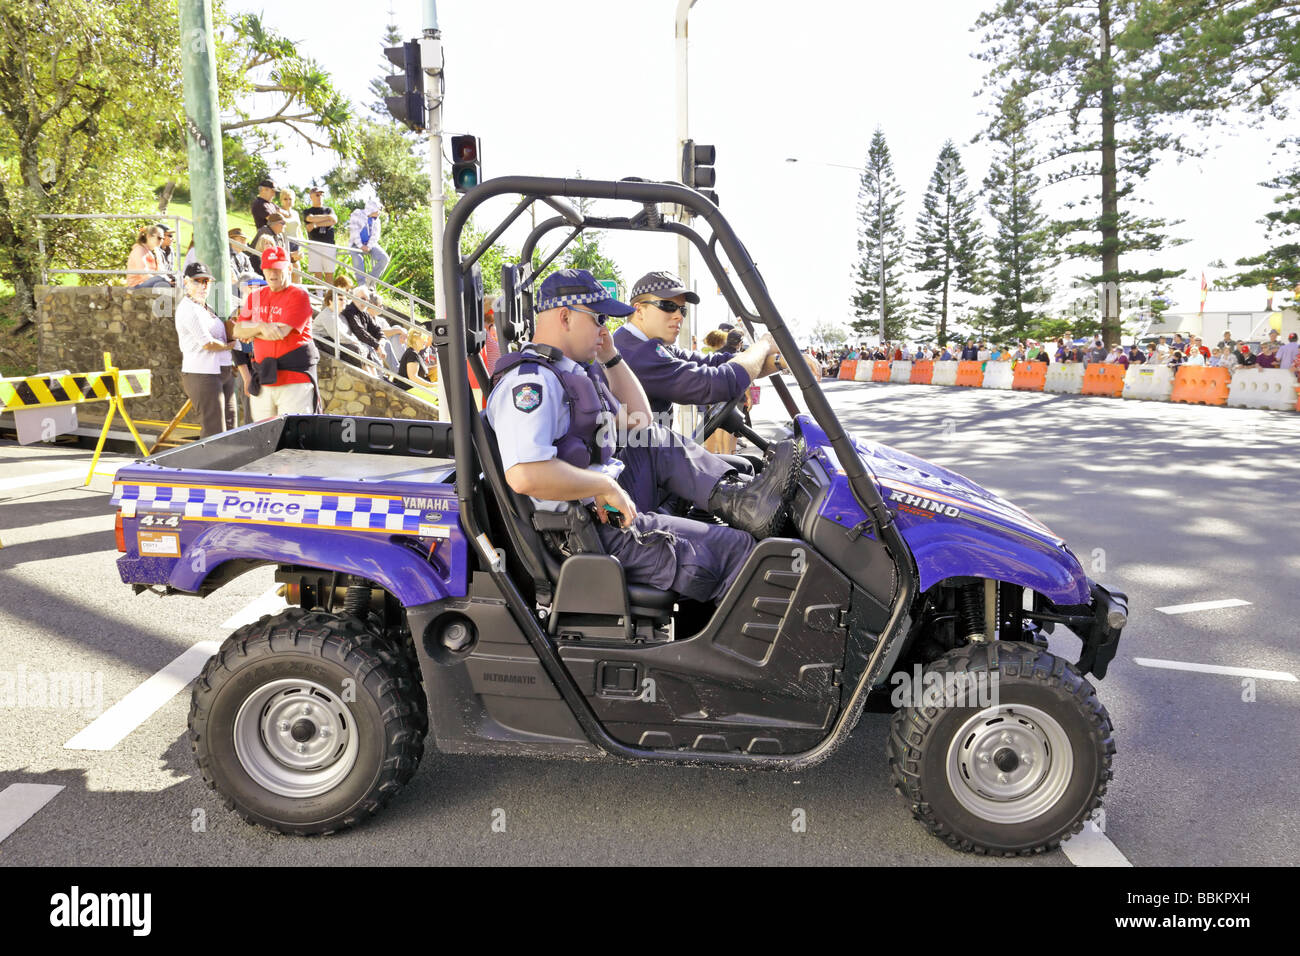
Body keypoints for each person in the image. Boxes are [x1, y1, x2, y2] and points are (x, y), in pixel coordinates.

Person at [486, 269, 803, 604]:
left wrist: (610, 356)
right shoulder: (531, 383)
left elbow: (640, 420)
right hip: (586, 531)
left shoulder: (569, 371)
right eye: (599, 318)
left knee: (654, 440)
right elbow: (524, 474)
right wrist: (603, 486)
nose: (604, 328)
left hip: (600, 506)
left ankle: (745, 503)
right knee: (742, 552)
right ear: (565, 317)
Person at [611, 270, 782, 422]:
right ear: (639, 310)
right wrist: (765, 343)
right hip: (640, 454)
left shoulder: (645, 344)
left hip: (652, 450)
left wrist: (779, 361)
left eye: (682, 310)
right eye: (668, 306)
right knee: (746, 460)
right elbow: (716, 384)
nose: (678, 316)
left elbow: (716, 363)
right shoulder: (636, 353)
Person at [233, 247, 318, 419]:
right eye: (269, 268)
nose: (273, 273)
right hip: (264, 378)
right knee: (263, 438)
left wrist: (251, 330)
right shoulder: (255, 296)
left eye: (278, 268)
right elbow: (237, 330)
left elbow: (280, 332)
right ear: (262, 270)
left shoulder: (298, 295)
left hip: (294, 380)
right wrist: (261, 326)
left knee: (293, 437)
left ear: (289, 269)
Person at [173, 261, 237, 438]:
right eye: (197, 281)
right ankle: (209, 466)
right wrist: (229, 346)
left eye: (206, 282)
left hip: (220, 370)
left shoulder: (204, 307)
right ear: (186, 282)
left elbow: (219, 336)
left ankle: (228, 465)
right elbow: (207, 343)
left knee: (230, 427)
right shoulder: (188, 308)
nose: (202, 286)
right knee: (214, 430)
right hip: (202, 373)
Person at [347, 199, 389, 287]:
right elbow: (354, 231)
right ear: (372, 209)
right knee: (358, 260)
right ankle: (361, 285)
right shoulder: (357, 214)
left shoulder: (376, 220)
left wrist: (368, 246)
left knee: (384, 258)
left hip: (370, 244)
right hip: (355, 244)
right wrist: (360, 245)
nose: (379, 212)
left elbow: (375, 235)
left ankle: (370, 280)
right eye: (378, 209)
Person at [302, 187, 339, 281]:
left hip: (329, 244)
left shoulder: (329, 209)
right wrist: (328, 218)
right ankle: (318, 295)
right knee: (317, 274)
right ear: (311, 196)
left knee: (329, 273)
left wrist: (315, 224)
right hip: (314, 245)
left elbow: (334, 220)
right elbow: (310, 218)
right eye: (317, 195)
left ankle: (329, 295)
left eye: (321, 194)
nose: (320, 197)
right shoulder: (307, 211)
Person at [126, 224, 173, 289]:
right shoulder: (139, 250)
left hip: (152, 282)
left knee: (167, 282)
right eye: (159, 238)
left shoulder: (156, 251)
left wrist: (170, 280)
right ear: (149, 237)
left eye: (163, 238)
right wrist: (163, 279)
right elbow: (144, 274)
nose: (161, 241)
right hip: (137, 285)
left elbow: (161, 271)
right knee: (161, 279)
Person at [251, 212, 291, 276]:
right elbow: (269, 252)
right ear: (274, 224)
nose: (285, 226)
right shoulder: (265, 231)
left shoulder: (280, 235)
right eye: (283, 223)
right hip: (258, 264)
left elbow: (281, 252)